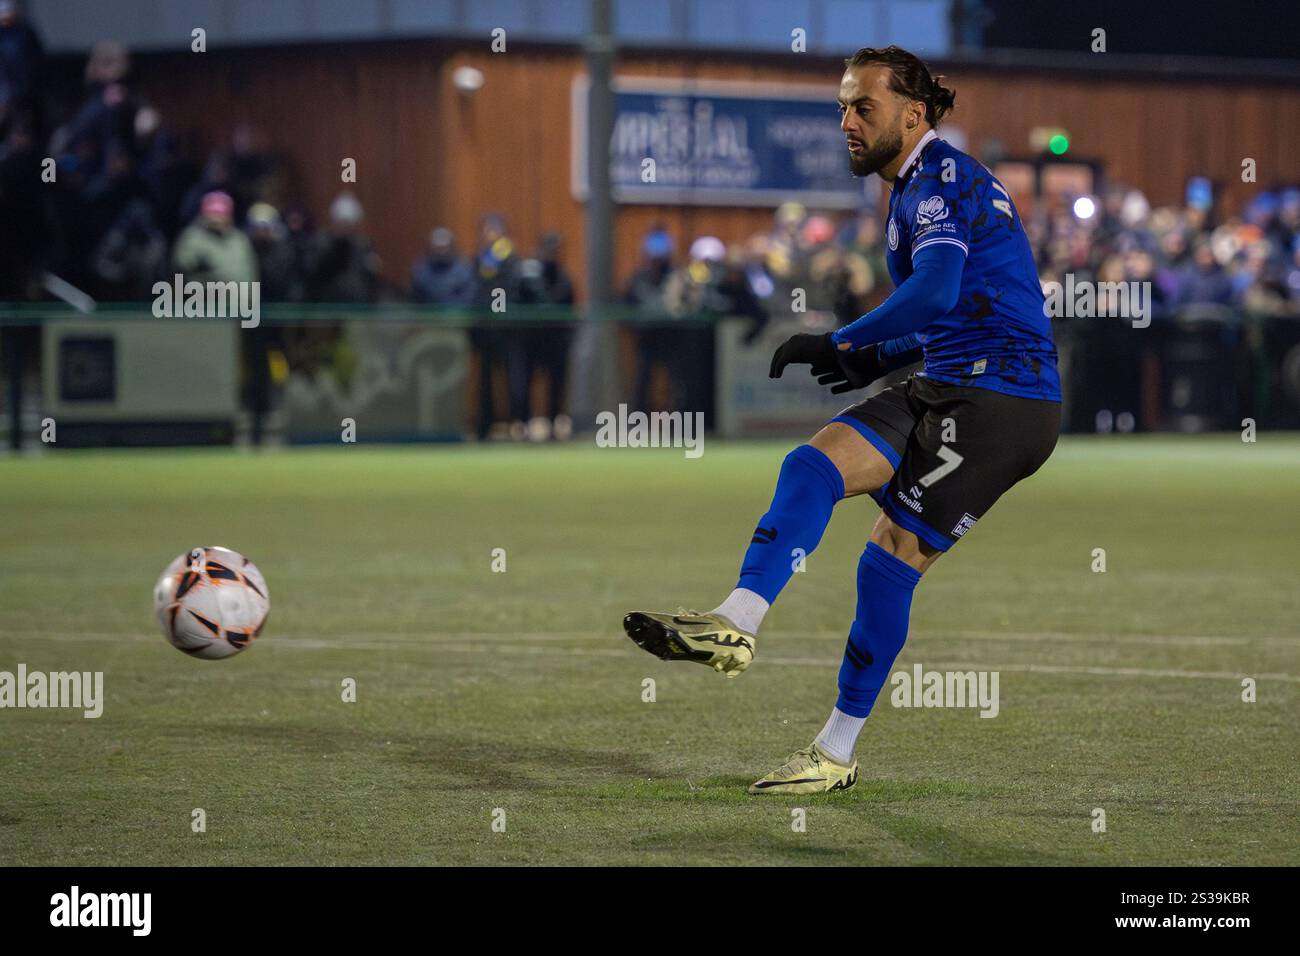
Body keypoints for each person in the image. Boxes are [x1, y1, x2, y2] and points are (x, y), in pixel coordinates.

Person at [623, 46, 1062, 795]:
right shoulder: (913, 188)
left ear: (913, 113)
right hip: (947, 378)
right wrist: (874, 357)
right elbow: (957, 306)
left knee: (886, 558)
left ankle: (834, 751)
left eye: (864, 107)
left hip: (1004, 401)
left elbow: (936, 290)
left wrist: (846, 341)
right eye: (842, 108)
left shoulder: (942, 177)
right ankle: (735, 622)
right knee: (813, 464)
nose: (847, 123)